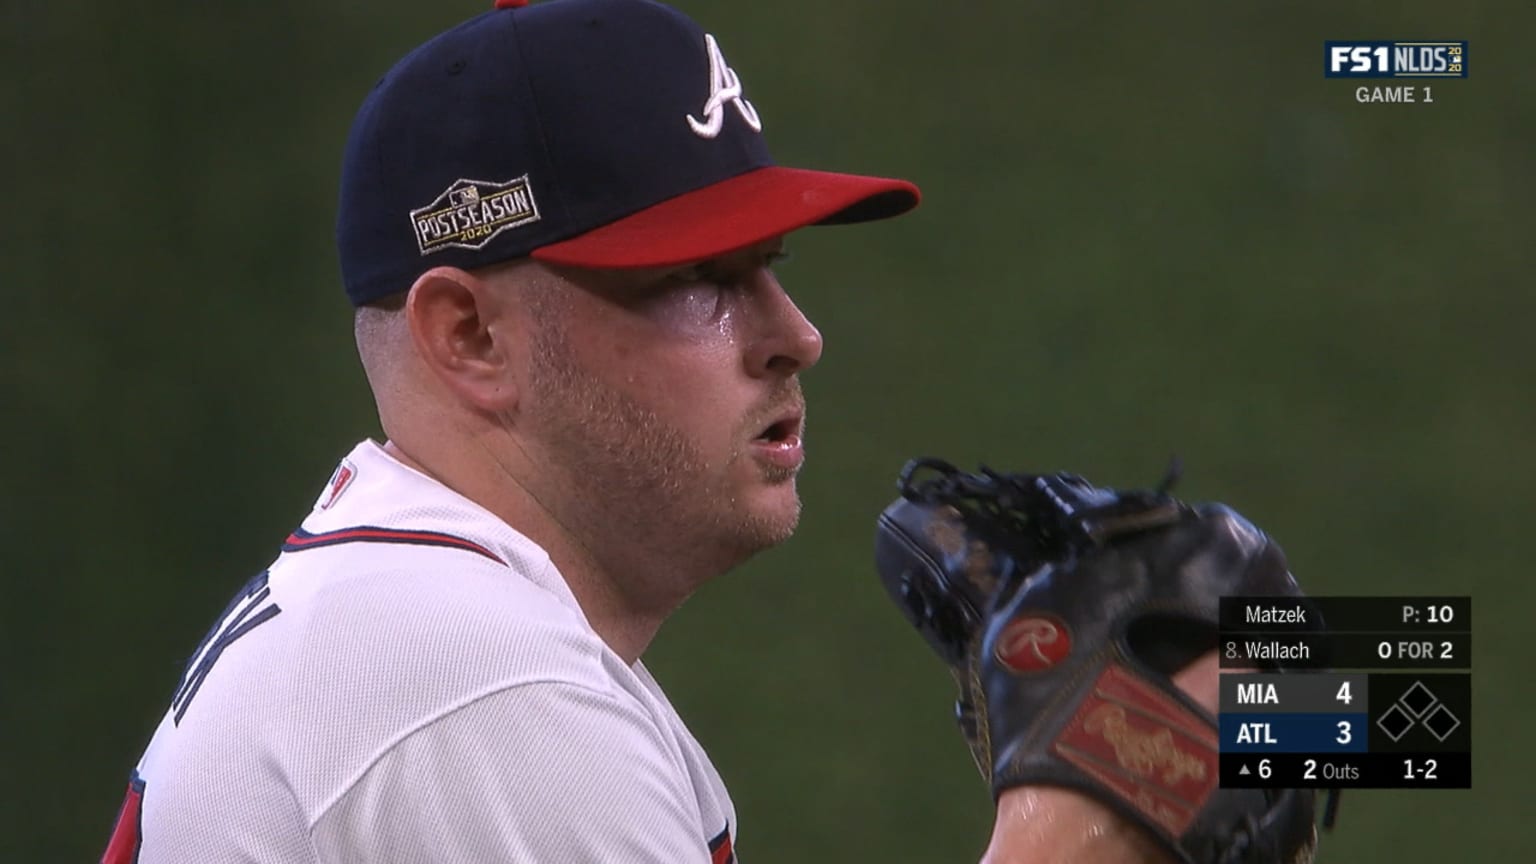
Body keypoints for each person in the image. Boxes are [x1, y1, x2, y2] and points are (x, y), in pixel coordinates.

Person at [101, 1, 1224, 861]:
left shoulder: (429, 629)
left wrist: (1299, 718)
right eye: (700, 279)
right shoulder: (475, 686)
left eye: (769, 266)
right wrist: (1070, 834)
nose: (797, 335)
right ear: (470, 337)